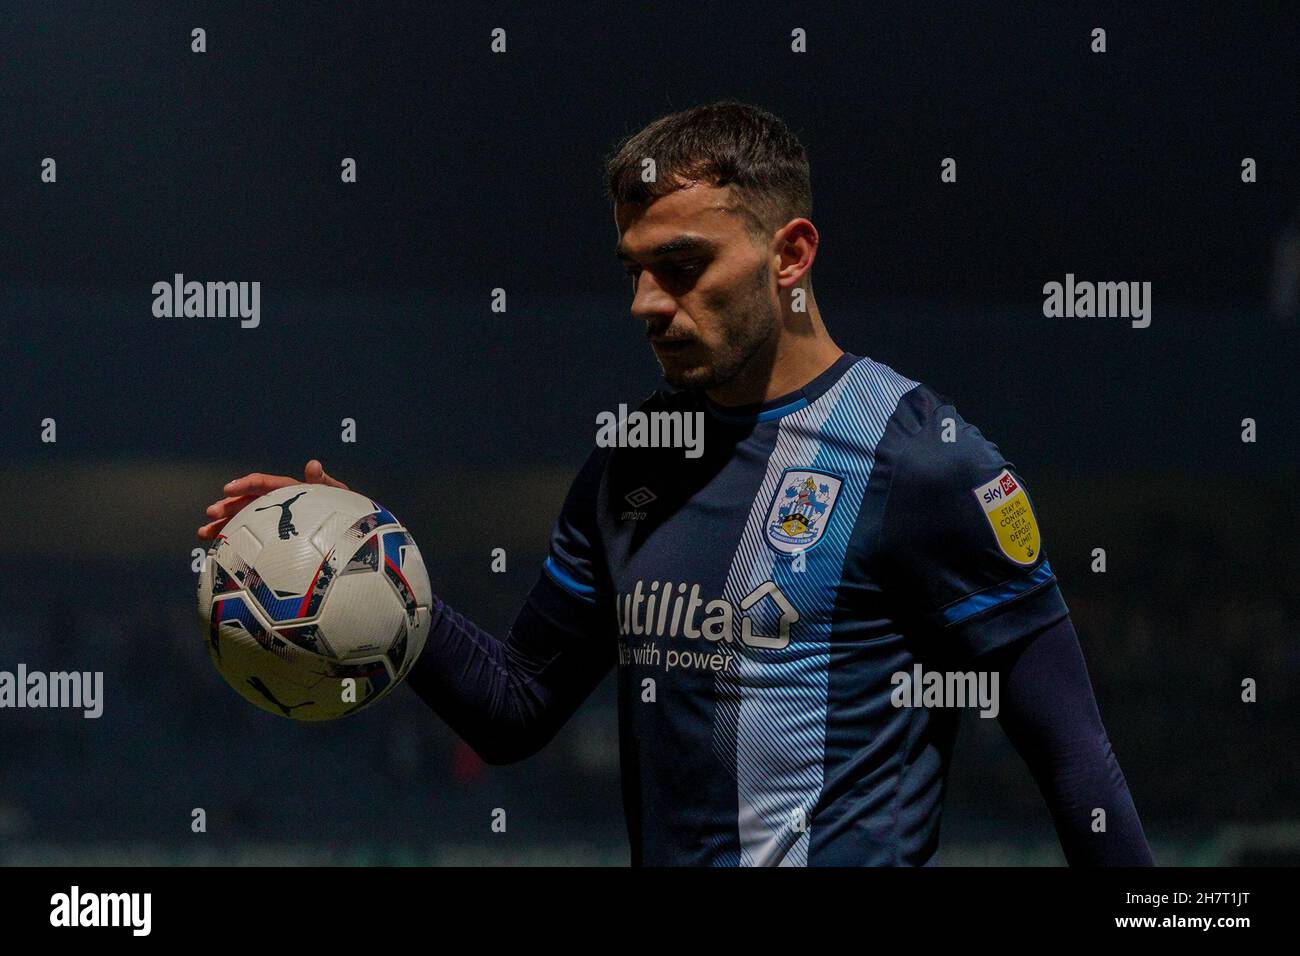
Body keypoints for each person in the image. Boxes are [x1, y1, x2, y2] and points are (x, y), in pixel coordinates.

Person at [199, 100, 1152, 867]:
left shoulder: (922, 458)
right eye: (636, 270)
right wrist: (380, 575)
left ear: (790, 256)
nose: (648, 303)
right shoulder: (633, 459)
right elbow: (518, 707)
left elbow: (1073, 757)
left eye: (683, 266)